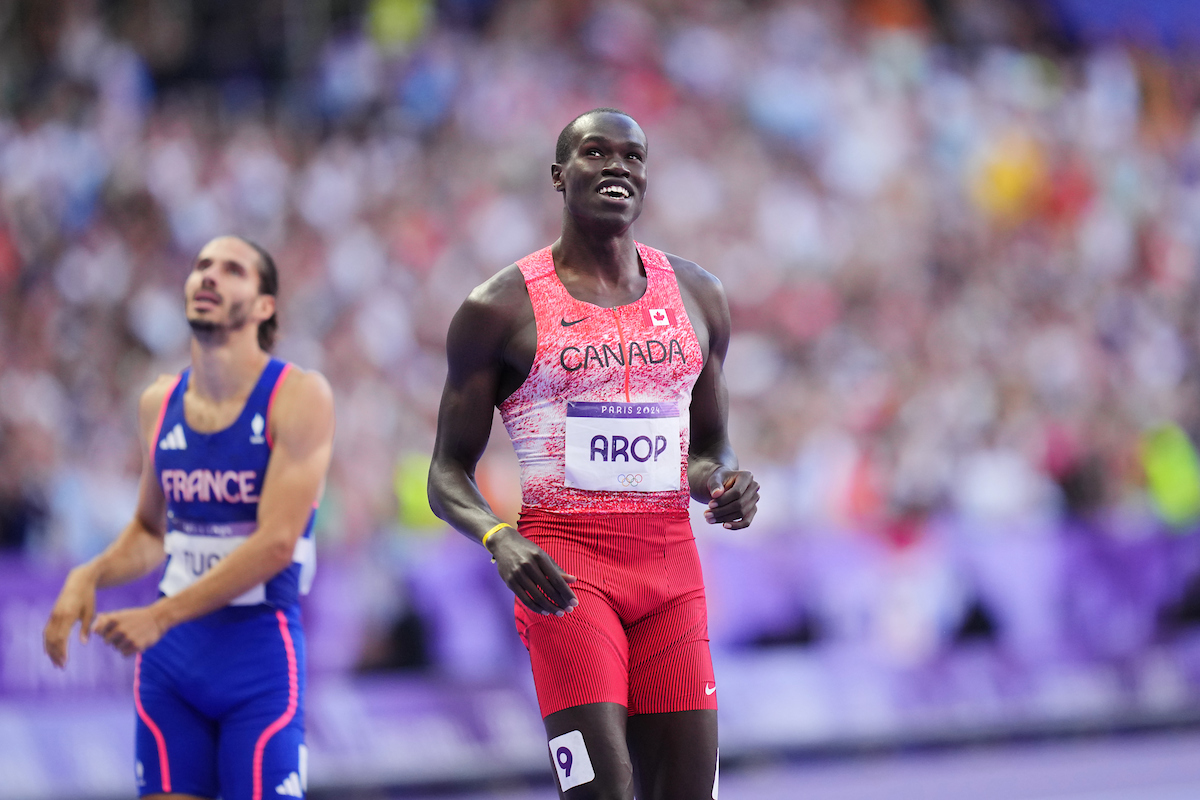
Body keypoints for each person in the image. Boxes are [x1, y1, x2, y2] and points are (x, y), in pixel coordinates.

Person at [428, 108, 759, 800]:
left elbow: (706, 450)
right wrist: (497, 537)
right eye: (595, 152)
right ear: (559, 175)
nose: (617, 166)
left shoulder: (698, 296)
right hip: (566, 574)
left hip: (671, 570)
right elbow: (446, 472)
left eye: (633, 156)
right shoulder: (499, 308)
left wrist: (723, 482)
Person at [43, 236, 335, 800]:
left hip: (258, 657)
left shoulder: (299, 396)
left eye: (232, 270)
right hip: (172, 666)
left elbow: (277, 543)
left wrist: (159, 615)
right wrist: (89, 574)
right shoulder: (159, 401)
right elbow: (150, 532)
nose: (209, 276)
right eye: (202, 266)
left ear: (265, 305)